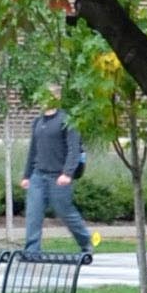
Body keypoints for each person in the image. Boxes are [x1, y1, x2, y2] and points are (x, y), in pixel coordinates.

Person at [22, 85, 94, 260]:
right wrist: (26, 175)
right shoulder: (38, 123)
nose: (43, 100)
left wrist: (67, 173)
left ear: (56, 98)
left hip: (58, 176)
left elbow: (74, 150)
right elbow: (33, 150)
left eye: (48, 96)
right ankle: (32, 252)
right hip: (38, 175)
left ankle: (86, 242)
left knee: (65, 211)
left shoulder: (67, 121)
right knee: (33, 213)